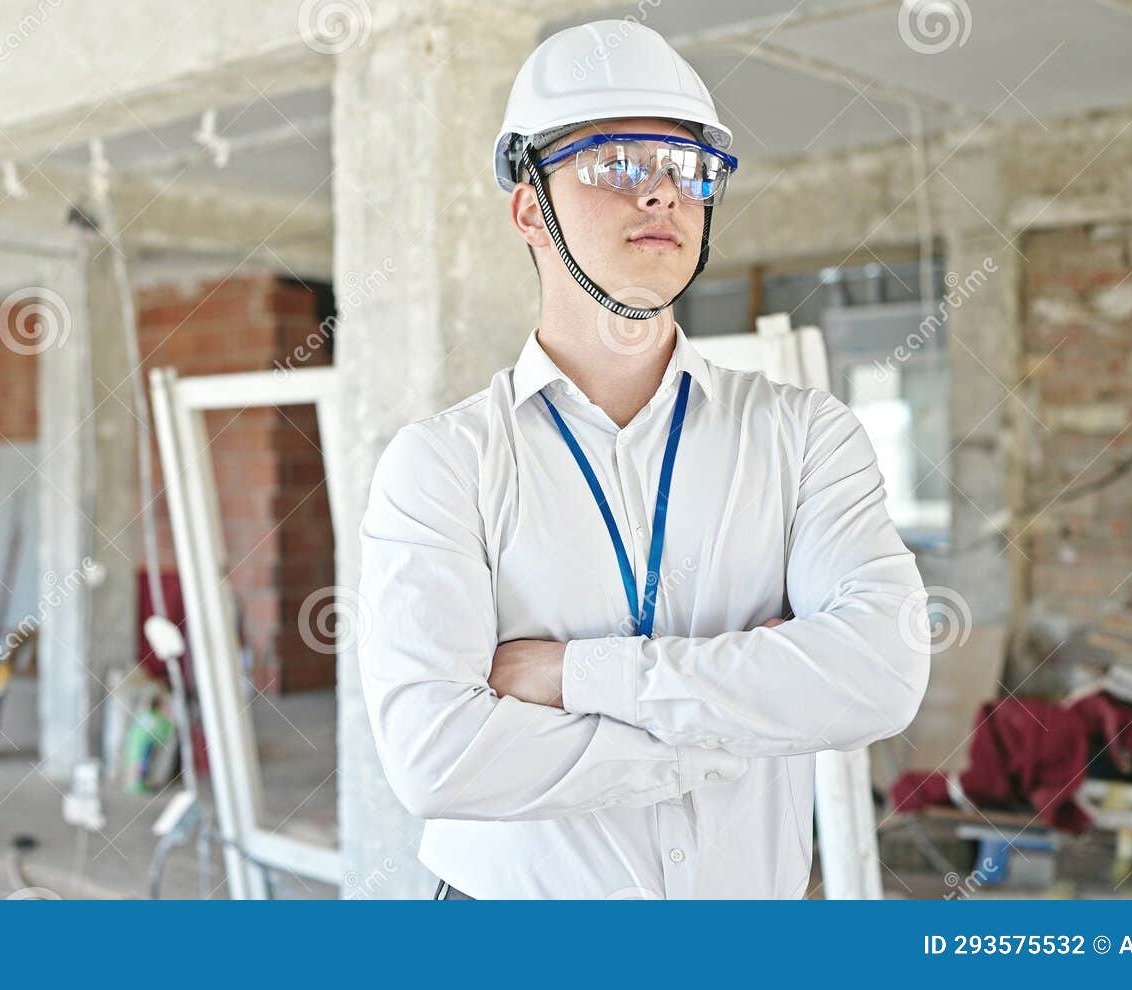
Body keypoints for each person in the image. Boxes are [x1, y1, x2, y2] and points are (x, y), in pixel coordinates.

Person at [357, 19, 930, 900]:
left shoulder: (804, 435)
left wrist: (572, 676)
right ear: (529, 209)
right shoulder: (442, 466)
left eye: (688, 169)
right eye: (616, 162)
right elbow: (439, 760)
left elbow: (880, 676)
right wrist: (734, 724)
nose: (662, 192)